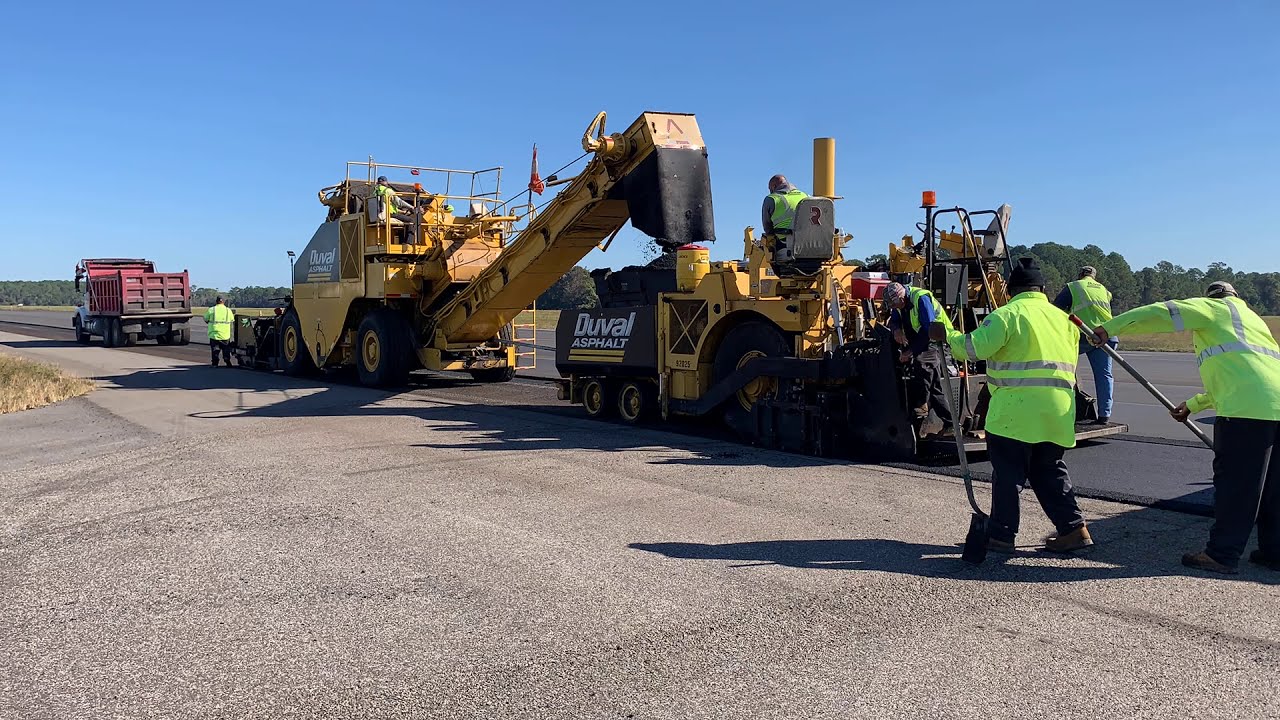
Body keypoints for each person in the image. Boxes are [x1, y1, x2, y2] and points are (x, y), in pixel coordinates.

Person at [1095, 281, 1280, 574]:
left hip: (1246, 410)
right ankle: (1274, 552)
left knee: (1237, 485)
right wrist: (1194, 405)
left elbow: (1162, 312)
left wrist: (1110, 327)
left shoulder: (1215, 309)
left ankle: (1221, 555)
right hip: (1274, 406)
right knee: (1272, 487)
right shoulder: (1252, 321)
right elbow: (1239, 375)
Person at [929, 257, 1092, 553]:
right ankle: (1074, 529)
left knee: (1008, 473)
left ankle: (1002, 535)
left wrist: (948, 336)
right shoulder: (1065, 321)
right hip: (1058, 411)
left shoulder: (1006, 315)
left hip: (1015, 412)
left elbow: (973, 349)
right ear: (1042, 289)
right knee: (1049, 470)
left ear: (1011, 290)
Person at [884, 281, 954, 435]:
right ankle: (950, 424)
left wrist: (910, 352)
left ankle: (921, 405)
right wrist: (896, 330)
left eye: (895, 305)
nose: (894, 308)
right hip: (920, 341)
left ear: (901, 299)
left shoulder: (921, 299)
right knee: (934, 387)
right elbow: (894, 320)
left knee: (923, 367)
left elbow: (928, 330)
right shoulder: (899, 303)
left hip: (936, 340)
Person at [1053, 265, 1116, 423]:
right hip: (1106, 334)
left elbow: (1055, 310)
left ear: (1080, 274)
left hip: (1085, 334)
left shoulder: (1074, 287)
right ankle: (1104, 414)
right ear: (1094, 276)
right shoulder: (1104, 290)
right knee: (1104, 375)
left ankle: (1066, 409)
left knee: (1063, 366)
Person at [374, 176, 423, 243]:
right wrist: (412, 207)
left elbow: (385, 206)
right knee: (411, 221)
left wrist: (402, 212)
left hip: (381, 214)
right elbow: (399, 202)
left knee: (403, 219)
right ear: (385, 182)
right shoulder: (388, 191)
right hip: (390, 214)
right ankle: (408, 243)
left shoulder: (375, 192)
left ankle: (401, 241)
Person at [204, 297, 235, 368]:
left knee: (215, 349)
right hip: (225, 334)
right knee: (226, 349)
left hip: (214, 334)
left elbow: (205, 319)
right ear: (223, 302)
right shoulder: (228, 310)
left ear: (216, 301)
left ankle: (215, 363)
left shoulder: (211, 309)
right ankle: (227, 361)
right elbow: (232, 319)